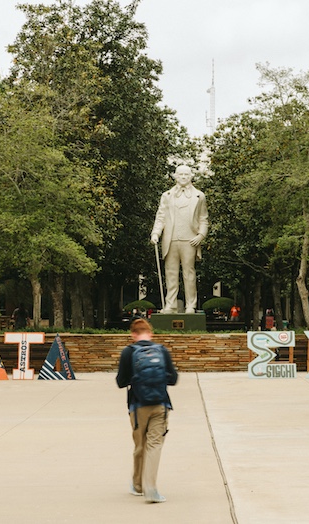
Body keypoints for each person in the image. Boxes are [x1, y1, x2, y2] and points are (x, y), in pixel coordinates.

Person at [115, 319, 178, 503]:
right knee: (154, 445)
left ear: (133, 334)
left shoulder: (129, 352)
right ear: (150, 333)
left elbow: (120, 382)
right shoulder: (162, 350)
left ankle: (138, 485)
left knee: (140, 446)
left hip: (137, 406)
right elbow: (173, 379)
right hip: (161, 404)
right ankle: (150, 487)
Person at [150, 165, 209, 314]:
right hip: (171, 240)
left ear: (191, 177)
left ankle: (191, 305)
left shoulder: (199, 196)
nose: (183, 177)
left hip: (190, 240)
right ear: (175, 176)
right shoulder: (167, 195)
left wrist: (201, 235)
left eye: (186, 174)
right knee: (170, 273)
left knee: (189, 274)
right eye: (180, 174)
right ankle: (171, 305)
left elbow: (204, 219)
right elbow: (161, 216)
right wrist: (156, 233)